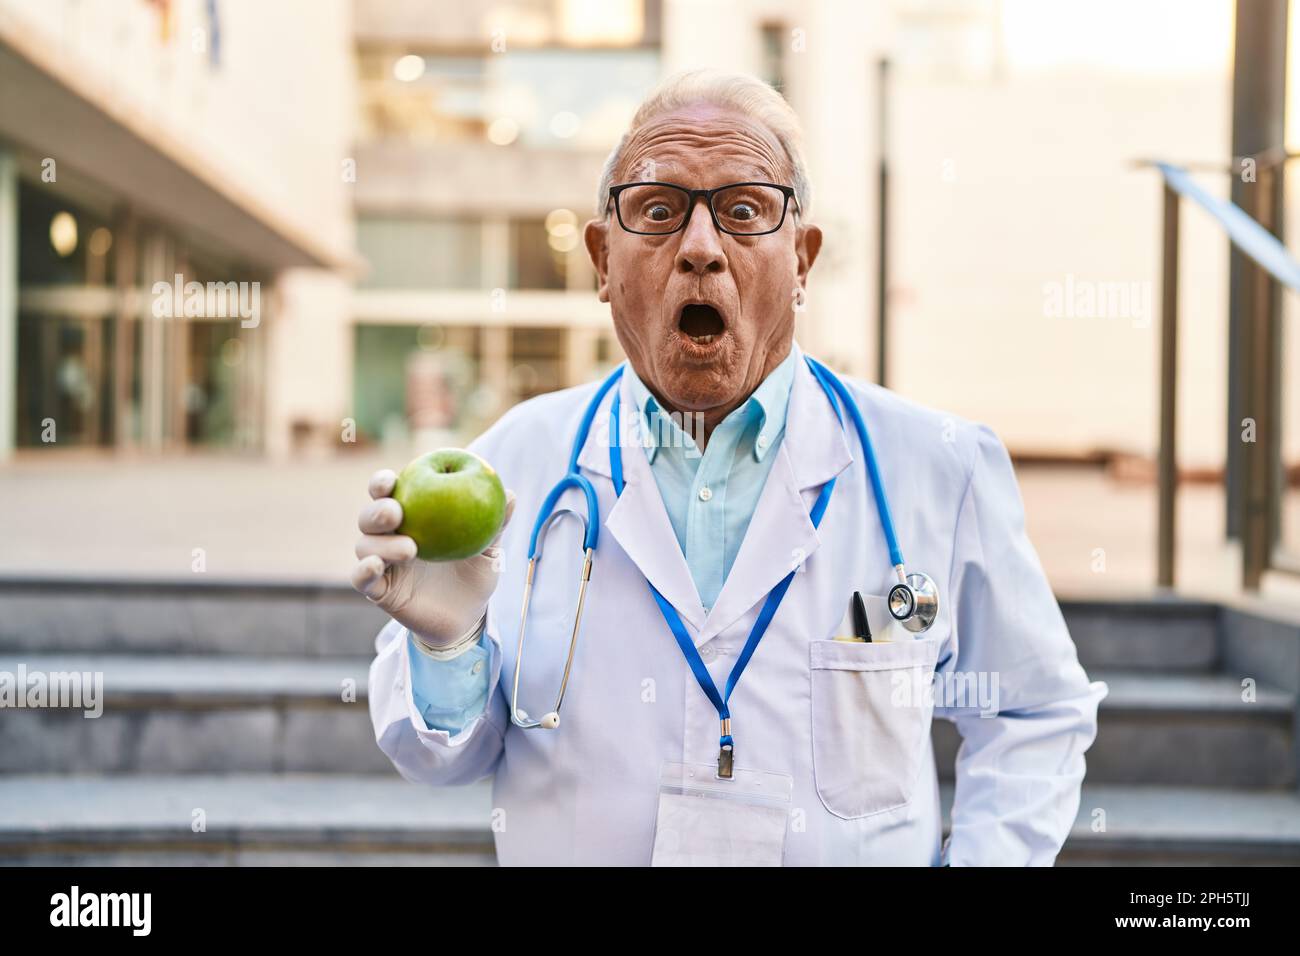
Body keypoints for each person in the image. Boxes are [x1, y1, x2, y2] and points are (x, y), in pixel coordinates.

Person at [353, 69, 1107, 866]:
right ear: (603, 261)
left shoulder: (937, 469)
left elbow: (1032, 714)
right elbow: (440, 761)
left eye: (745, 211)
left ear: (803, 259)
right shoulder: (515, 465)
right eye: (657, 211)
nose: (702, 250)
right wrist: (446, 650)